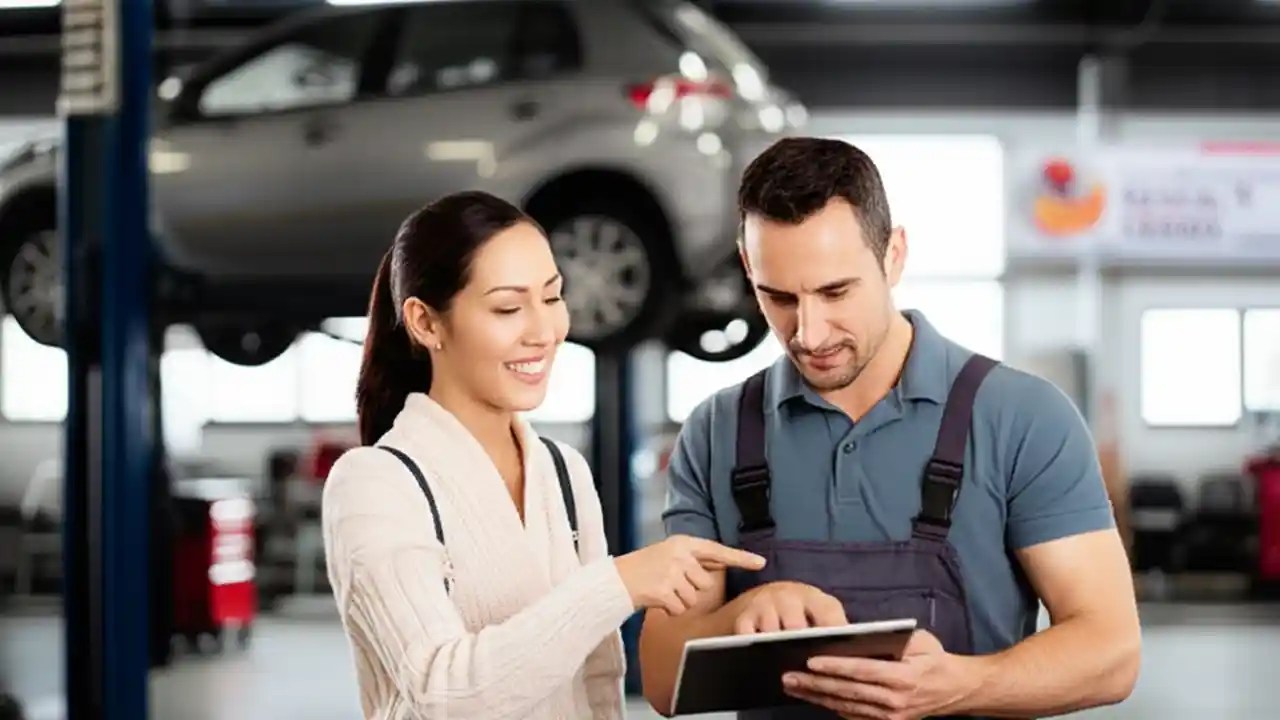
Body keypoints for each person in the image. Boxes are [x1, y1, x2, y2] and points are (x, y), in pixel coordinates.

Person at [638, 138, 1141, 720]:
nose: (809, 333)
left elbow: (1111, 653)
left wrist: (965, 684)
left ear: (893, 255)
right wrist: (738, 618)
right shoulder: (716, 433)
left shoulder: (1023, 417)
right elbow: (661, 681)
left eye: (835, 291)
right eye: (778, 297)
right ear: (748, 267)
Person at [321, 190, 766, 719]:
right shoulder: (374, 483)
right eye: (508, 308)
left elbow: (597, 683)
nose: (544, 332)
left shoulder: (563, 472)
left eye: (553, 297)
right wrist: (617, 585)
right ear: (425, 322)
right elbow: (442, 693)